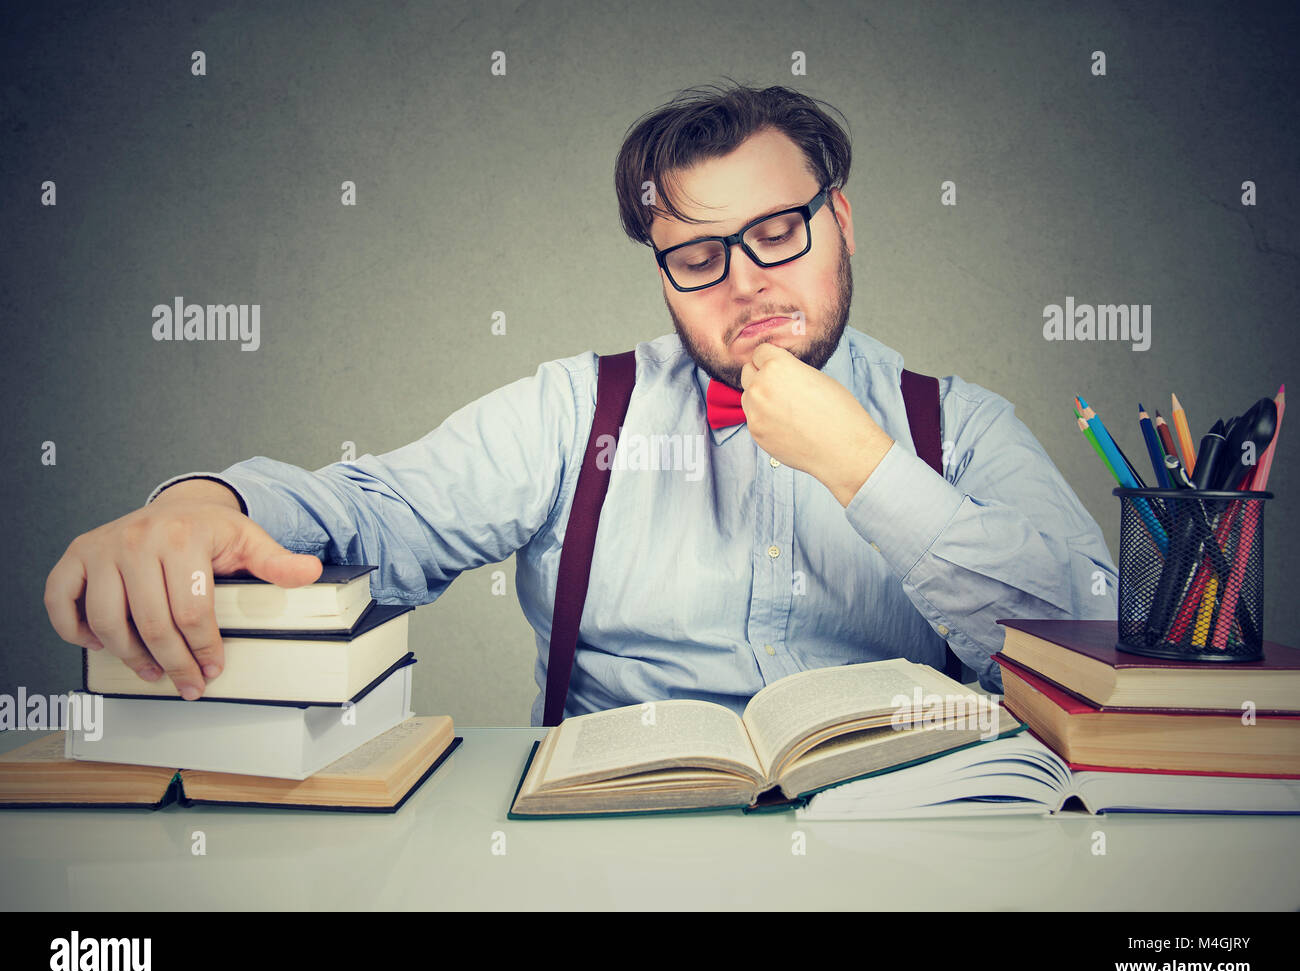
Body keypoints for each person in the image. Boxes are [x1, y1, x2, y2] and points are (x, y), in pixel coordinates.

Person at [44, 82, 1118, 722]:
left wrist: (866, 468)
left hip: (902, 865)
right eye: (698, 253)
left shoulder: (961, 424)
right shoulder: (578, 410)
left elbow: (1088, 641)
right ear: (661, 271)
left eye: (778, 232)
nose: (745, 281)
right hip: (606, 867)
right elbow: (379, 514)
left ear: (839, 218)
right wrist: (201, 501)